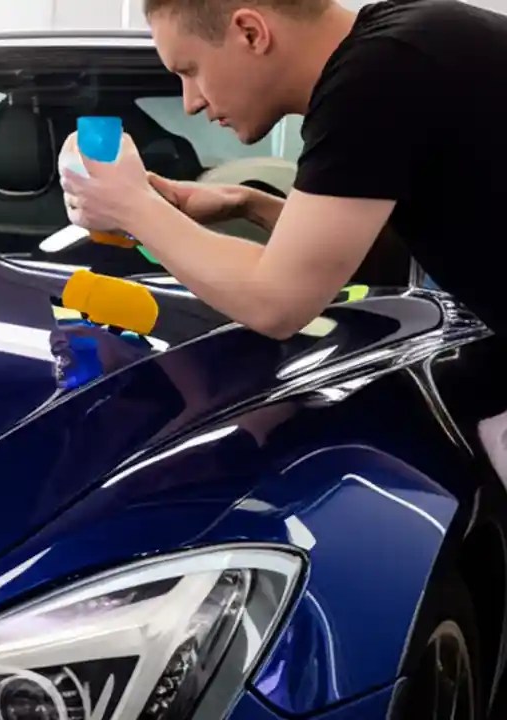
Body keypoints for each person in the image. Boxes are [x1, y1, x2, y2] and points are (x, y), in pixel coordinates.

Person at [59, 0, 507, 476]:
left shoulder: (377, 76)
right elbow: (376, 256)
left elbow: (277, 303)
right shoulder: (409, 43)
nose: (190, 101)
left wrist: (131, 205)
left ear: (251, 32)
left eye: (189, 70)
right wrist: (247, 203)